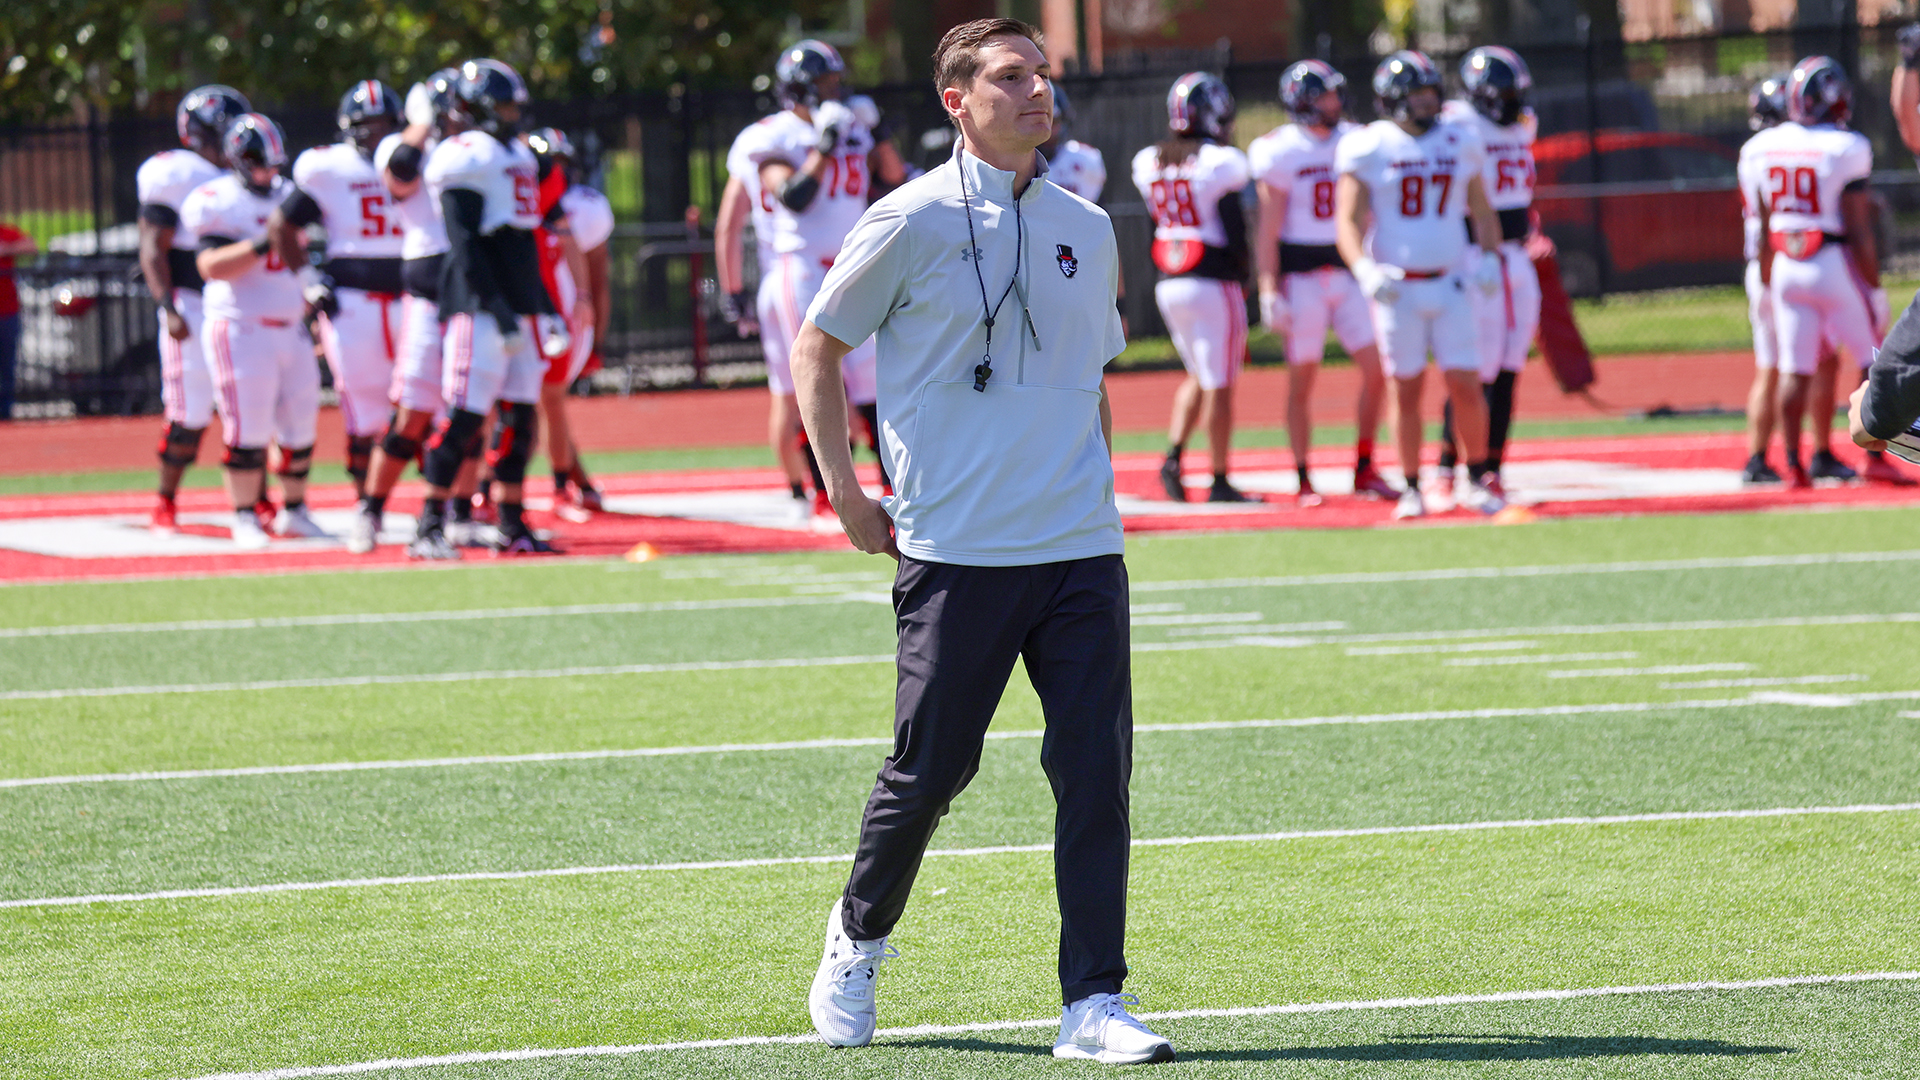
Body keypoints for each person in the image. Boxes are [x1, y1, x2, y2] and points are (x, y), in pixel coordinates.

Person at [791, 18, 1174, 1065]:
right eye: (1012, 77)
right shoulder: (905, 220)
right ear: (958, 99)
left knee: (1096, 772)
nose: (1038, 92)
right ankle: (857, 940)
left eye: (1043, 75)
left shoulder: (1087, 224)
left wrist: (1101, 497)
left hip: (1081, 547)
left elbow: (1090, 376)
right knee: (932, 770)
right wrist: (844, 492)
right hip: (957, 551)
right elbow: (817, 346)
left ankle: (1092, 1003)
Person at [716, 40, 897, 527]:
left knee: (874, 380)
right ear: (795, 88)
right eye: (823, 83)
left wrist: (877, 131)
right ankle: (823, 494)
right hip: (801, 269)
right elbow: (794, 195)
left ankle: (892, 485)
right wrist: (822, 147)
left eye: (836, 81)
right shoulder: (772, 135)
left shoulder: (851, 123)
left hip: (854, 262)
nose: (833, 91)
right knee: (816, 378)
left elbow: (895, 177)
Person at [1334, 49, 1506, 520]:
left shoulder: (1460, 139)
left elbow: (1483, 209)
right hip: (1397, 287)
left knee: (1466, 384)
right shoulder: (1369, 145)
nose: (1428, 104)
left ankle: (1475, 476)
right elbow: (1346, 221)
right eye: (1418, 95)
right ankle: (1412, 486)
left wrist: (1490, 258)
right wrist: (1365, 271)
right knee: (1404, 388)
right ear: (1393, 100)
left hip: (1451, 282)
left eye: (1432, 94)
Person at [412, 58, 568, 558]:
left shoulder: (514, 155)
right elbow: (466, 246)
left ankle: (512, 522)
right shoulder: (465, 154)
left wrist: (543, 308)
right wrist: (500, 312)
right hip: (478, 308)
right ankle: (429, 524)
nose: (511, 114)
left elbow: (522, 244)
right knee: (463, 418)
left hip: (517, 306)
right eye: (501, 105)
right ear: (476, 107)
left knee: (520, 418)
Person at [1249, 59, 1394, 506]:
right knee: (1303, 379)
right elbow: (1268, 228)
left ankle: (1365, 465)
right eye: (1326, 94)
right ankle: (1303, 476)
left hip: (1349, 272)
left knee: (1378, 370)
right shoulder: (1280, 149)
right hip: (1302, 278)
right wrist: (1268, 290)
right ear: (1305, 101)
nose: (1335, 101)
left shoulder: (1356, 139)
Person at [1740, 55, 1885, 489]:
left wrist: (1766, 280)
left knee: (1793, 367)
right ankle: (1873, 453)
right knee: (1874, 358)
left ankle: (1793, 463)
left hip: (1784, 264)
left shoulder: (1764, 146)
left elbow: (1765, 225)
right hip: (1830, 260)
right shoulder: (1847, 146)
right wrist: (1874, 287)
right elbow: (1858, 227)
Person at [182, 112, 325, 549]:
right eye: (261, 163)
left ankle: (295, 510)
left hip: (290, 324)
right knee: (248, 428)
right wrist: (269, 239)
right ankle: (244, 514)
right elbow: (210, 267)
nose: (269, 173)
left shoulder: (289, 194)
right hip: (241, 327)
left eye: (273, 164)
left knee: (301, 425)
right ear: (239, 161)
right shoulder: (217, 199)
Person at [270, 79, 407, 503]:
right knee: (364, 409)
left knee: (428, 402)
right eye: (368, 124)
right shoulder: (329, 168)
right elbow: (281, 226)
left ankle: (450, 501)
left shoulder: (416, 161)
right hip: (353, 302)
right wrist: (308, 281)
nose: (377, 133)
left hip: (415, 298)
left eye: (385, 124)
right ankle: (367, 502)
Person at [1134, 72, 1256, 504]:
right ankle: (1220, 477)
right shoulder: (1220, 161)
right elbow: (1234, 227)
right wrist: (1246, 276)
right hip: (1212, 278)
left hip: (1170, 281)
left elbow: (1155, 223)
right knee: (1221, 383)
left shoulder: (1150, 159)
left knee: (1200, 376)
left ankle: (1173, 457)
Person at [136, 84, 251, 532]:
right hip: (192, 297)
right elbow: (152, 247)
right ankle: (166, 499)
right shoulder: (176, 173)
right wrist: (167, 305)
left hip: (240, 298)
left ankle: (256, 501)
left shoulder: (245, 175)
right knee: (191, 410)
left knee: (252, 406)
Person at [1434, 46, 1539, 500]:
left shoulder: (1522, 125)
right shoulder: (1458, 123)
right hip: (1478, 256)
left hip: (1518, 256)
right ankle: (1446, 464)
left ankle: (1493, 466)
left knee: (1511, 365)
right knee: (1475, 369)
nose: (1516, 102)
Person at [526, 127, 614, 519]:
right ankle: (574, 482)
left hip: (560, 316)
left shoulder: (579, 209)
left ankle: (566, 484)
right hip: (521, 308)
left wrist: (596, 340)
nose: (553, 174)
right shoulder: (515, 200)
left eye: (558, 166)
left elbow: (597, 280)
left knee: (548, 399)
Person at [1740, 73, 1791, 485]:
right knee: (1802, 364)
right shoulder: (1782, 147)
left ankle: (1757, 459)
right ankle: (1804, 454)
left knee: (1769, 367)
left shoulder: (1750, 151)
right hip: (1780, 262)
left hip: (1759, 264)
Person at [1039, 83, 1106, 202]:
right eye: (1039, 121)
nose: (1046, 130)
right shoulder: (1008, 163)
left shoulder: (1085, 159)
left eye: (1054, 121)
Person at [0, 220, 35, 422]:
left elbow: (32, 247)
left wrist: (7, 249)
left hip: (7, 311)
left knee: (7, 365)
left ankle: (5, 412)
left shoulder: (5, 232)